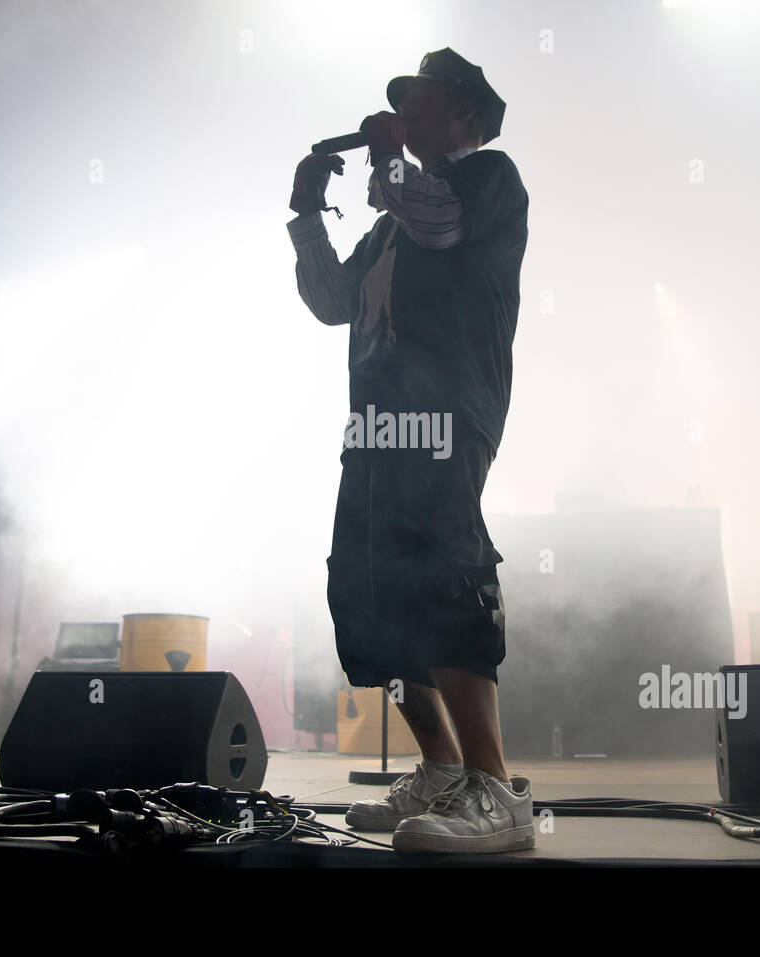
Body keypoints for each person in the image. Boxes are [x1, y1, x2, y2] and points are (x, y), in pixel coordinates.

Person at [286, 49, 531, 853]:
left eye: (423, 104)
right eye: (404, 108)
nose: (406, 116)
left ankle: (494, 787)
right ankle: (439, 766)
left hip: (447, 411)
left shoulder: (489, 178)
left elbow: (440, 221)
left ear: (465, 112)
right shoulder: (388, 223)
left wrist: (388, 155)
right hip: (377, 423)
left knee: (440, 566)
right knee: (366, 586)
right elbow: (331, 303)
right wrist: (310, 216)